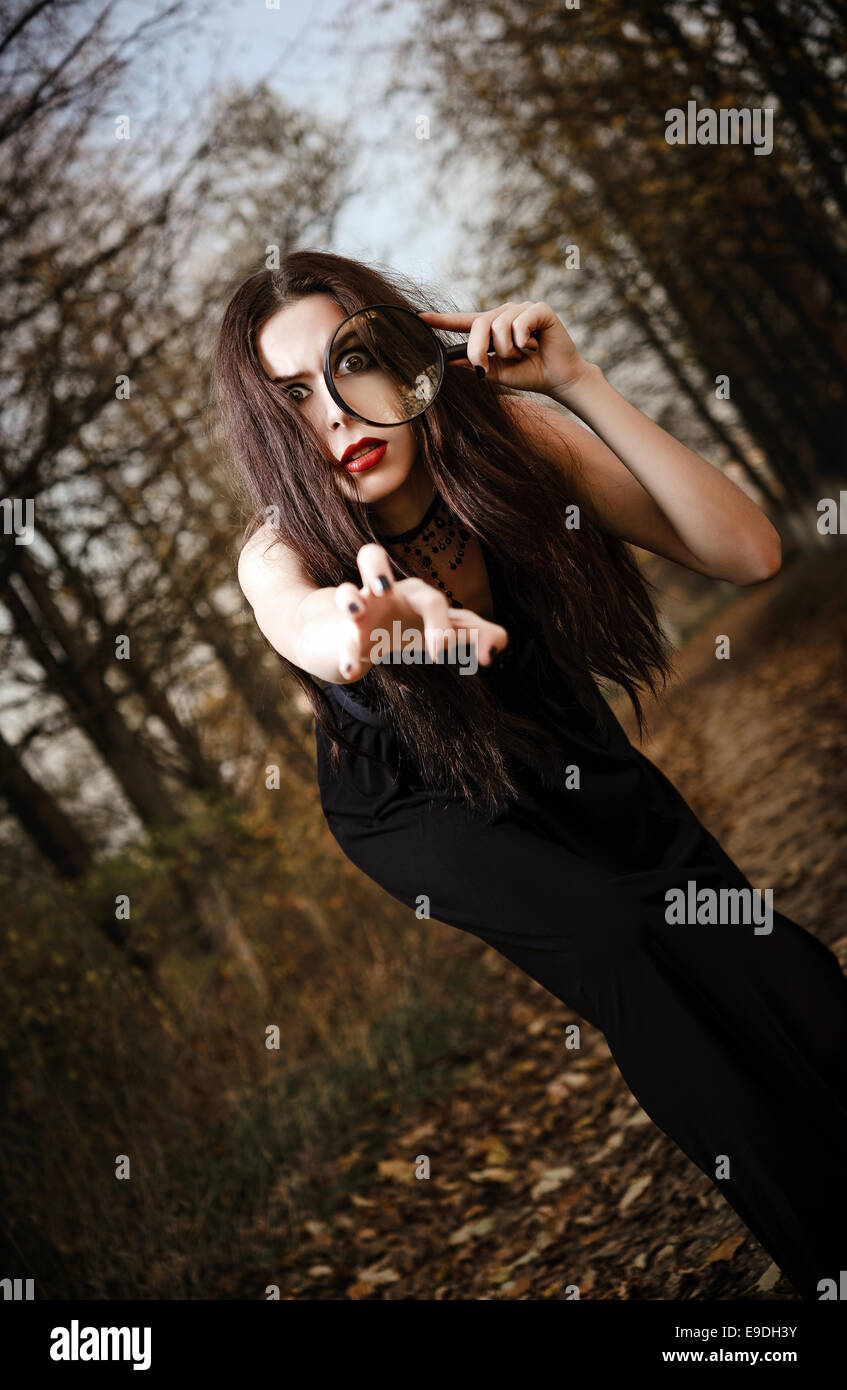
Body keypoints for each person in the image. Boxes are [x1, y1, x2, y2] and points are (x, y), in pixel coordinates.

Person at [213, 249, 847, 1301]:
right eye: (288, 397)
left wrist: (577, 383)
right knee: (621, 942)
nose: (331, 416)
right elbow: (311, 629)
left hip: (552, 730)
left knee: (764, 958)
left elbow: (748, 553)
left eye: (351, 364)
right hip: (413, 798)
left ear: (408, 359)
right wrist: (381, 624)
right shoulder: (280, 548)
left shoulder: (509, 443)